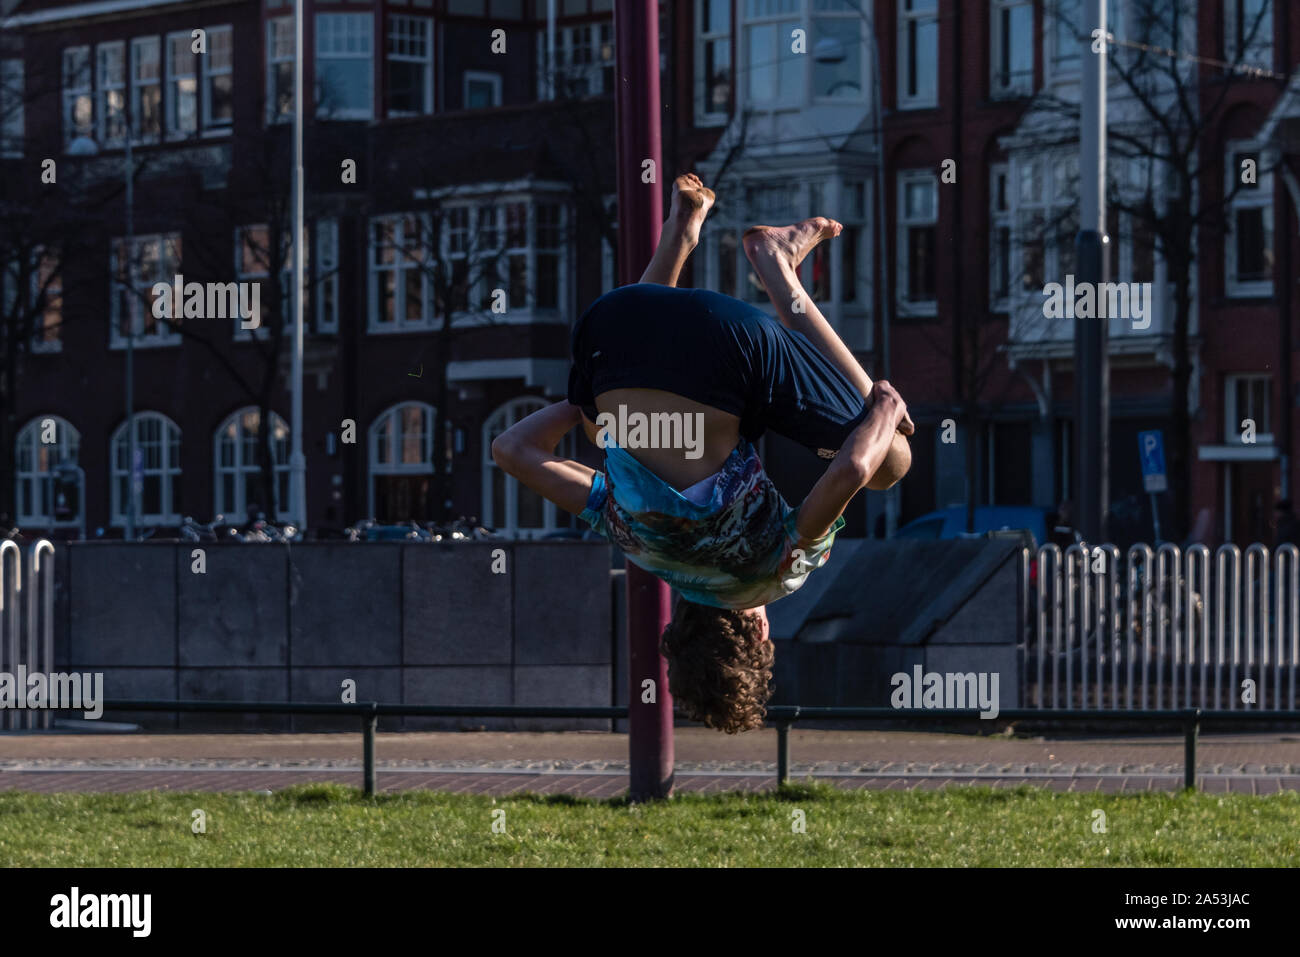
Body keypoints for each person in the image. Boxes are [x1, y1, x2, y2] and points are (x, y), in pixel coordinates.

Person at [491, 174, 913, 732]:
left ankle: (776, 264)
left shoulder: (773, 575)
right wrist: (588, 400)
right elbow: (513, 448)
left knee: (892, 462)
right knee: (611, 433)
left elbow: (852, 470)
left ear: (759, 634)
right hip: (611, 324)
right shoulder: (634, 540)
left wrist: (885, 405)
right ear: (676, 627)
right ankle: (682, 231)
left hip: (729, 342)